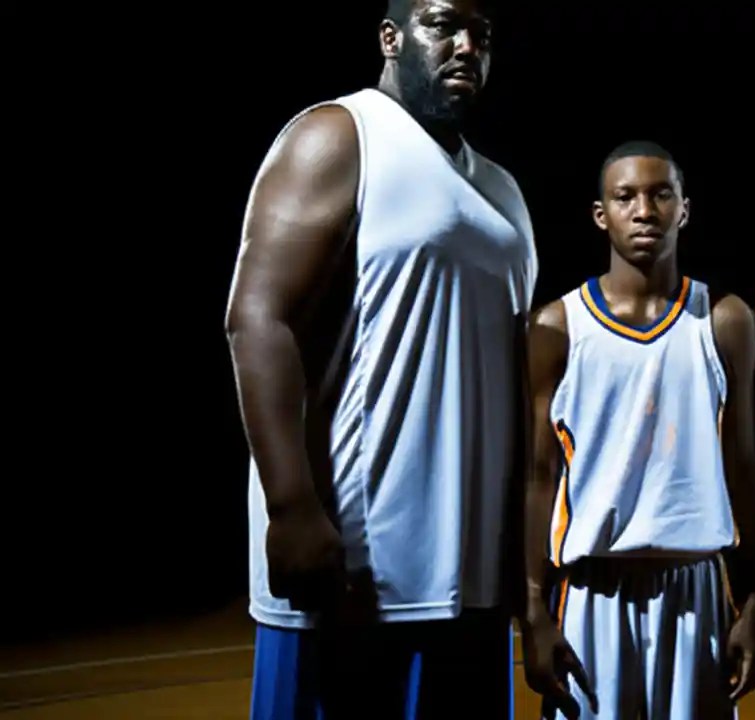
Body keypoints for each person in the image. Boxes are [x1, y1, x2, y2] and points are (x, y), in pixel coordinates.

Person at [223, 0, 536, 716]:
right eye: (442, 25)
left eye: (481, 35)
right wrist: (292, 508)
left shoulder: (501, 189)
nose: (464, 45)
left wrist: (519, 556)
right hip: (355, 570)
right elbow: (256, 317)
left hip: (469, 577)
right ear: (391, 37)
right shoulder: (340, 134)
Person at [520, 141, 755, 720]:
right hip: (591, 592)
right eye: (625, 196)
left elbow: (745, 466)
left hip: (696, 588)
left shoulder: (724, 321)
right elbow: (538, 475)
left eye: (661, 194)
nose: (644, 210)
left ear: (684, 209)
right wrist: (533, 609)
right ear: (600, 214)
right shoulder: (558, 326)